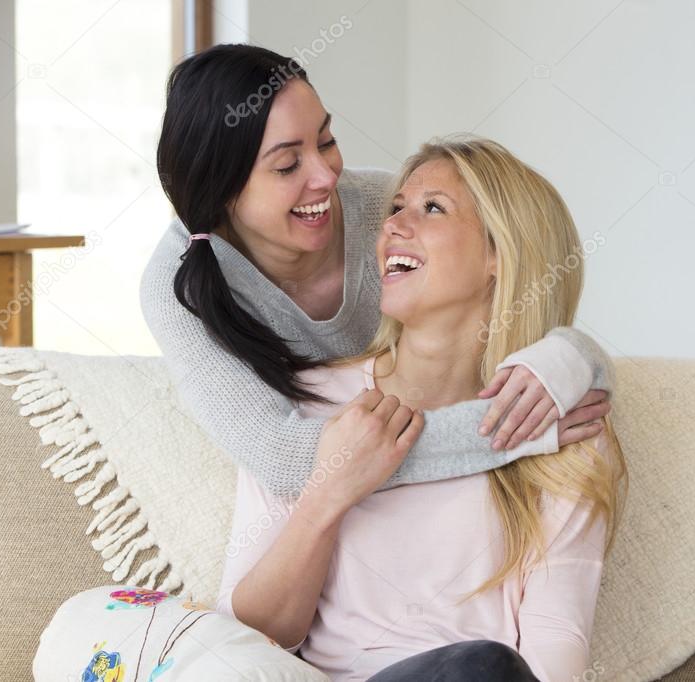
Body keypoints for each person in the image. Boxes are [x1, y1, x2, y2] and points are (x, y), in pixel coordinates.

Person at [216, 137, 628, 682]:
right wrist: (329, 494)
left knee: (483, 667)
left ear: (498, 255)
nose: (392, 226)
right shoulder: (306, 404)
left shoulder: (559, 432)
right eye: (394, 208)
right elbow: (252, 633)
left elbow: (556, 641)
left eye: (432, 207)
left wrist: (579, 354)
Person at [141, 44, 615, 499]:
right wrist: (511, 434)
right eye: (287, 165)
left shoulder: (389, 214)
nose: (327, 177)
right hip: (328, 508)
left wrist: (577, 354)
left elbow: (525, 279)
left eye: (326, 141)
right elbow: (288, 459)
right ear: (223, 187)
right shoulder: (177, 287)